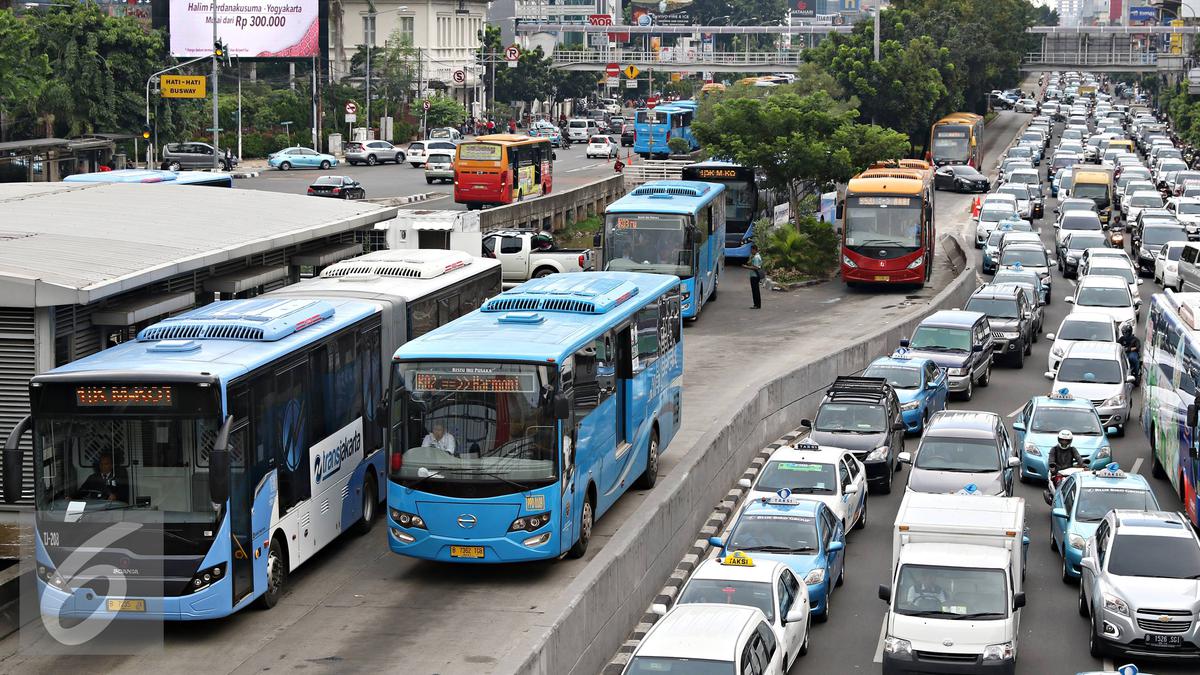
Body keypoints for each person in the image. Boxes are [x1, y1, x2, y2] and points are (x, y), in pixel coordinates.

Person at [745, 244, 764, 309]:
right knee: (756, 290)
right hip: (755, 276)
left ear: (754, 250)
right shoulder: (756, 256)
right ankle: (757, 304)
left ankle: (756, 304)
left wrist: (746, 267)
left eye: (751, 250)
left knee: (755, 291)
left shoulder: (756, 257)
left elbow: (755, 267)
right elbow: (750, 262)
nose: (751, 251)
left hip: (754, 276)